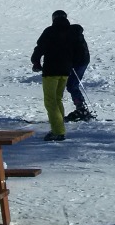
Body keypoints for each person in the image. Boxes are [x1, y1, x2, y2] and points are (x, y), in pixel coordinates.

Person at [30, 10, 82, 141]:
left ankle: (58, 131)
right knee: (58, 99)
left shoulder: (50, 31)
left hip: (51, 71)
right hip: (65, 71)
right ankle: (59, 127)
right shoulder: (72, 32)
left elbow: (40, 47)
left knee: (50, 101)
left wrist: (36, 61)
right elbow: (77, 50)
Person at [64, 21, 94, 123]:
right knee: (72, 85)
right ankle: (80, 107)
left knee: (72, 85)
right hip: (83, 61)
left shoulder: (71, 36)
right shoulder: (77, 35)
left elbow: (70, 51)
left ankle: (81, 108)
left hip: (78, 63)